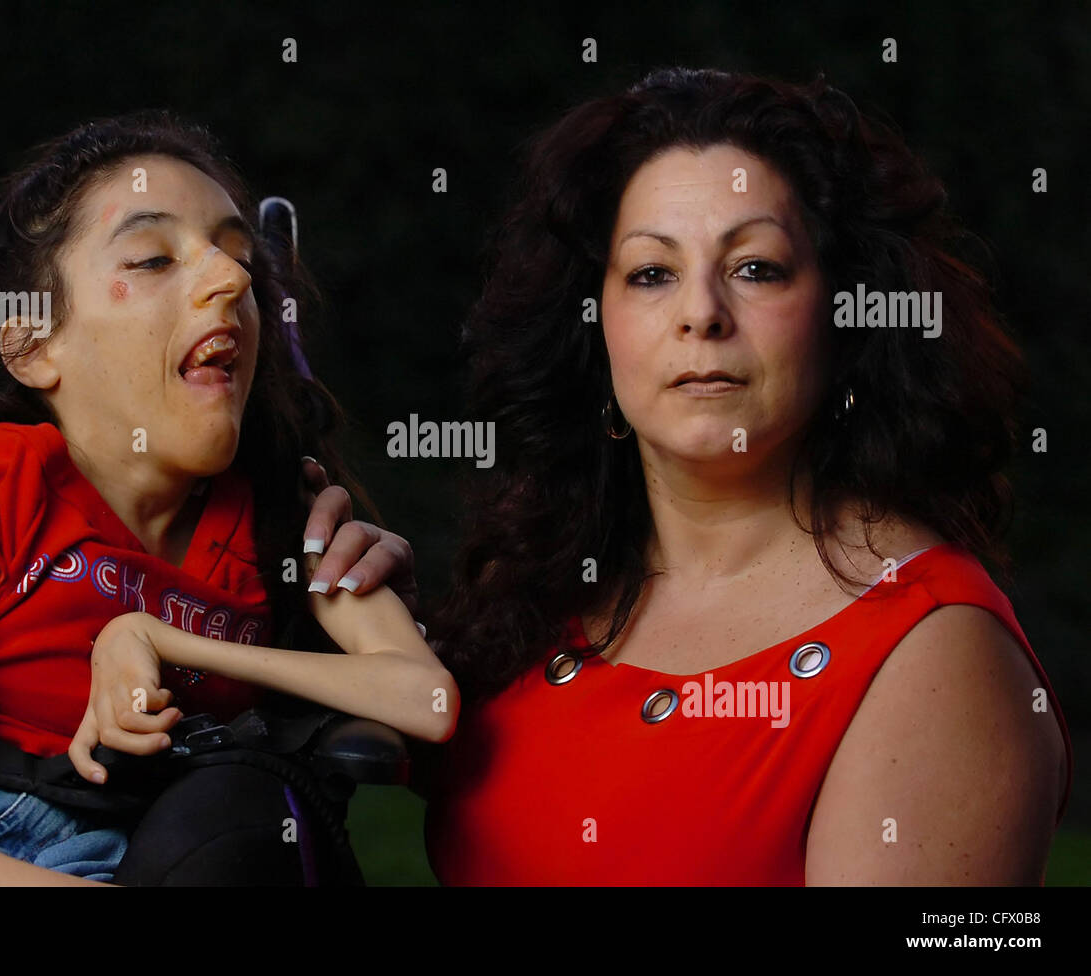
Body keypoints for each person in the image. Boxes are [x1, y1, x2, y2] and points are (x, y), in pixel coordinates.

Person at [421, 66, 1072, 885]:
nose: (701, 313)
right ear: (594, 325)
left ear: (847, 312)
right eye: (652, 273)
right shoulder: (538, 596)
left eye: (756, 267)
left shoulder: (934, 651)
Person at [0, 112, 452, 886]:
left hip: (89, 844)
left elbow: (428, 700)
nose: (233, 281)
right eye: (150, 258)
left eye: (241, 258)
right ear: (35, 347)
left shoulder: (275, 519)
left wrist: (160, 637)